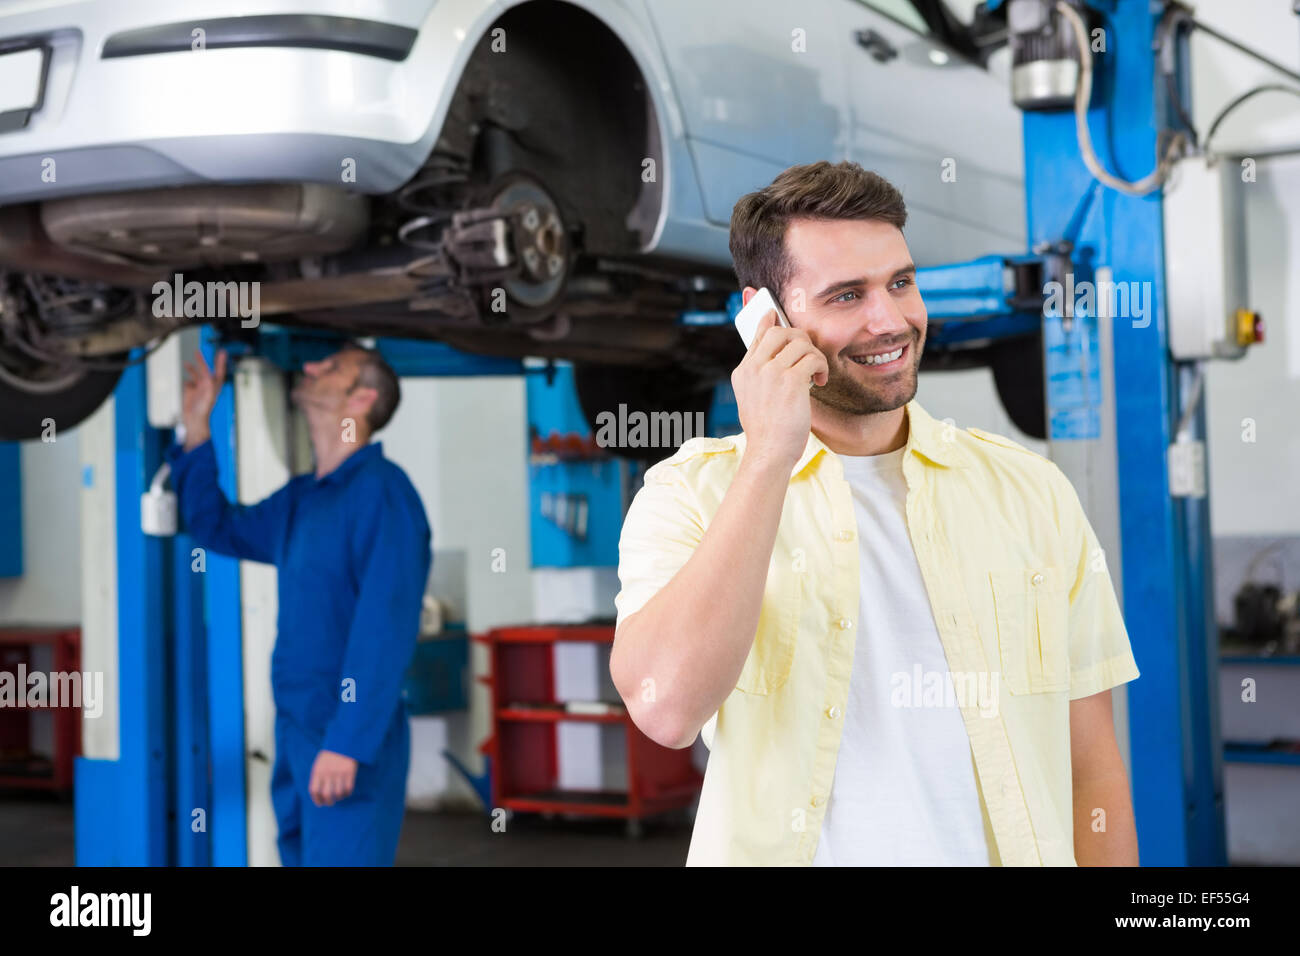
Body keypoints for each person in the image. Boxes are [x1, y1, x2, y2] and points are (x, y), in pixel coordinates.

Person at [610, 160, 1141, 866]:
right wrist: (771, 455)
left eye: (900, 282)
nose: (891, 319)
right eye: (846, 295)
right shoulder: (689, 496)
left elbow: (1092, 765)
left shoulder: (1030, 492)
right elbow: (666, 710)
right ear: (765, 318)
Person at [169, 343, 432, 866]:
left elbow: (383, 632)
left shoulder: (384, 495)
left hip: (343, 736)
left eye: (330, 367)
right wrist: (198, 425)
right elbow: (214, 526)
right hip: (296, 731)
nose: (309, 366)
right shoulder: (304, 498)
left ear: (362, 400)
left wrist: (349, 742)